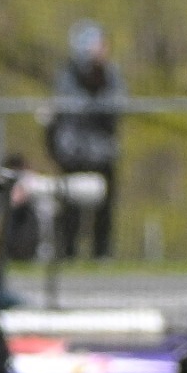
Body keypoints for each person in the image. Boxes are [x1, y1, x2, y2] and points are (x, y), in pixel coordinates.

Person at [48, 20, 124, 261]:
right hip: (74, 151)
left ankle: (101, 253)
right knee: (72, 202)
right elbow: (71, 104)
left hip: (103, 151)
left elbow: (117, 103)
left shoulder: (110, 73)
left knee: (104, 204)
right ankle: (67, 251)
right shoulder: (69, 73)